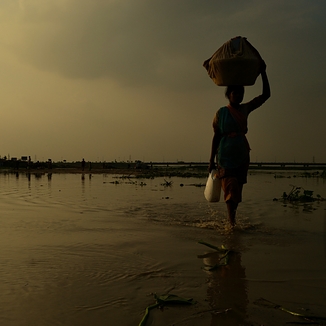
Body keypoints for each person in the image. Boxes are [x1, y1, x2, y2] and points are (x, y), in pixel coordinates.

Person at [208, 61, 270, 227]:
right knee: (231, 187)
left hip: (241, 155)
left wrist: (263, 72)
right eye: (235, 93)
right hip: (225, 157)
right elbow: (216, 137)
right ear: (229, 95)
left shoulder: (245, 109)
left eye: (241, 93)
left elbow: (265, 95)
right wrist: (211, 160)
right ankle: (231, 223)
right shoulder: (221, 113)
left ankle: (232, 220)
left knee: (237, 191)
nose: (239, 95)